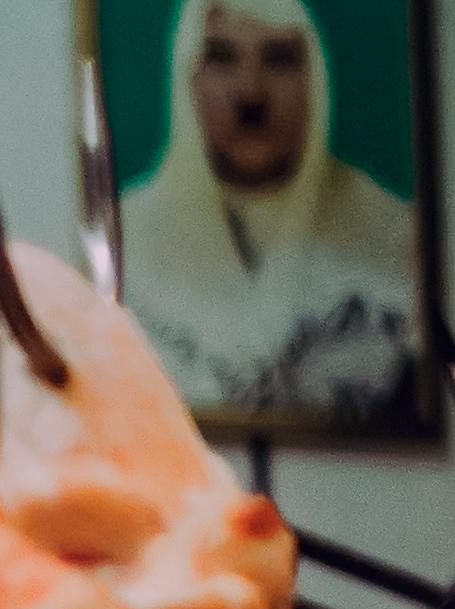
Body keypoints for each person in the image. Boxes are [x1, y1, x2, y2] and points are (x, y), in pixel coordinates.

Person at [118, 0, 424, 427]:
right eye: (223, 59)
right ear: (187, 75)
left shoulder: (394, 236)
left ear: (314, 78)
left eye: (279, 60)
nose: (250, 94)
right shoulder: (125, 240)